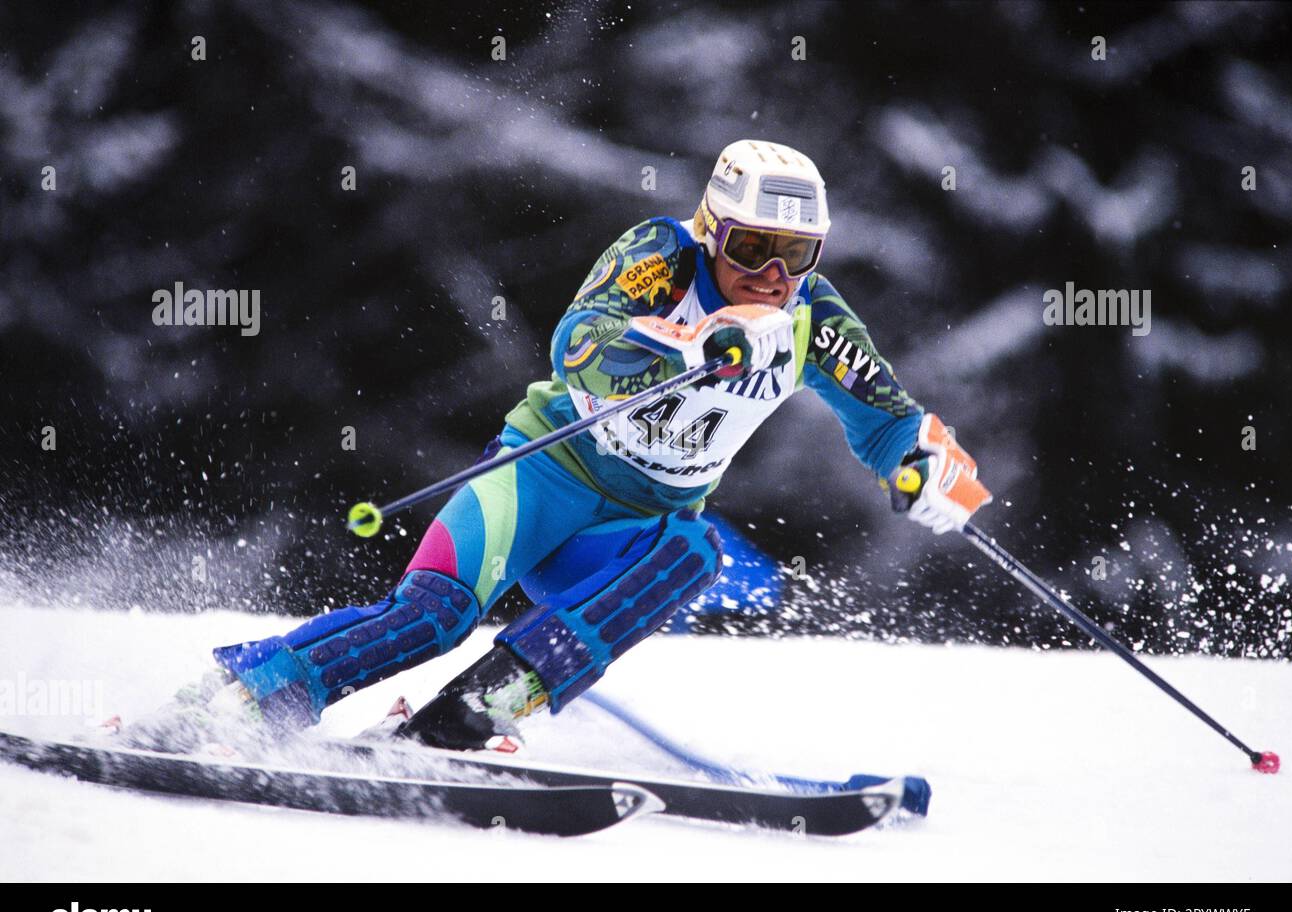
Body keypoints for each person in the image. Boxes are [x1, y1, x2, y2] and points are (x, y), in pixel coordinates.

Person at [177, 140, 992, 753]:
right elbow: (578, 341)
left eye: (797, 255)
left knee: (695, 552)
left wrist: (929, 469)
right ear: (713, 233)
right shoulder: (660, 257)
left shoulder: (812, 318)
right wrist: (686, 342)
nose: (774, 276)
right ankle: (251, 696)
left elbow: (887, 416)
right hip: (538, 479)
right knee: (431, 618)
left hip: (627, 532)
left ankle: (475, 713)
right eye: (751, 249)